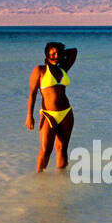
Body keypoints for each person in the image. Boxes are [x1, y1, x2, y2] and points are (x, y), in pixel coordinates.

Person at [26, 41, 77, 171]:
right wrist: (29, 116)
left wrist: (60, 53)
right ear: (46, 54)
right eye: (53, 53)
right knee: (45, 150)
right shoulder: (40, 70)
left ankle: (61, 181)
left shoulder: (63, 68)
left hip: (66, 113)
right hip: (49, 114)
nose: (56, 55)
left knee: (62, 148)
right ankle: (39, 181)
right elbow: (32, 94)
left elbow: (74, 51)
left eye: (58, 53)